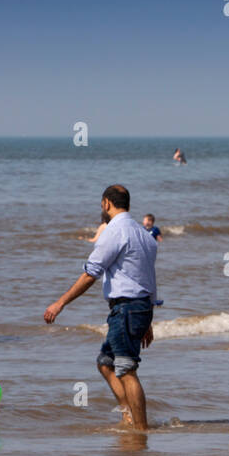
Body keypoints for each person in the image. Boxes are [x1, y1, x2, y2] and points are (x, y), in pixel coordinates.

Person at [44, 184, 158, 430]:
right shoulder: (142, 233)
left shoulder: (114, 231)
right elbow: (149, 277)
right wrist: (148, 317)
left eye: (101, 205)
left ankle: (141, 430)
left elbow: (90, 274)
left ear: (107, 203)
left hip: (126, 309)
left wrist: (60, 302)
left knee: (126, 369)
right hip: (137, 308)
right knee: (105, 362)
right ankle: (129, 415)